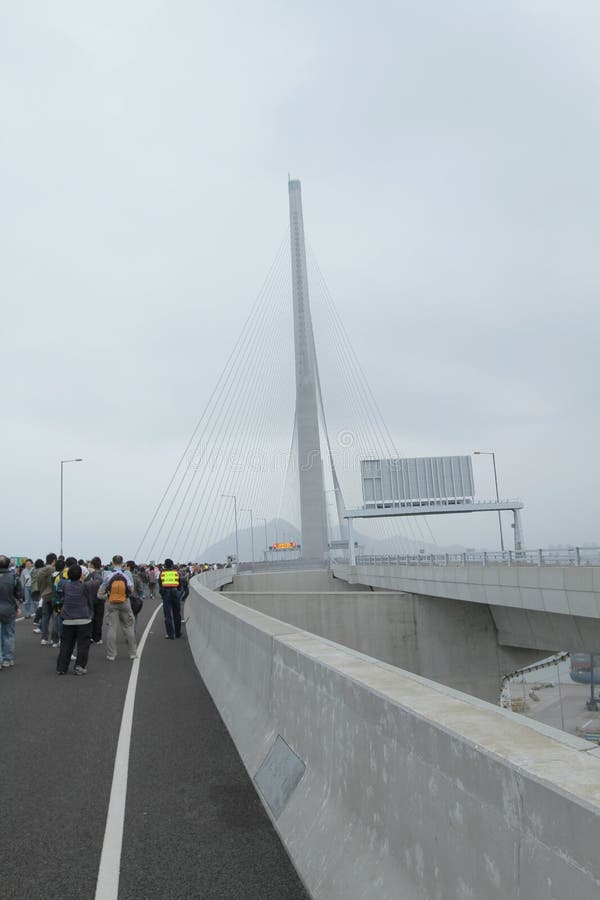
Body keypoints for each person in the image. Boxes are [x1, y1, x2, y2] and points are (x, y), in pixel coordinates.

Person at [55, 564, 94, 675]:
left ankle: (61, 667)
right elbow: (89, 601)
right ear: (81, 575)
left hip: (68, 618)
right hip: (83, 619)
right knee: (83, 644)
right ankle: (79, 666)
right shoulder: (84, 586)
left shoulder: (65, 586)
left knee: (66, 644)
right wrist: (91, 613)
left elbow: (61, 598)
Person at [99, 555, 137, 661]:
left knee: (112, 628)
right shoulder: (127, 574)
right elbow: (132, 590)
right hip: (125, 602)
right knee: (128, 627)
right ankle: (133, 653)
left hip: (111, 603)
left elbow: (100, 593)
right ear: (122, 563)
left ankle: (111, 654)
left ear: (112, 562)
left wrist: (108, 596)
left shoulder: (108, 574)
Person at [0, 555, 23, 669]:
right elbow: (20, 595)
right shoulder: (14, 577)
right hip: (9, 609)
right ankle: (7, 659)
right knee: (8, 634)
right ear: (9, 565)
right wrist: (17, 606)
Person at [38, 553, 58, 646]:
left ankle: (44, 638)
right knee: (55, 618)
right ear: (54, 560)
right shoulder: (55, 570)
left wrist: (42, 592)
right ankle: (54, 639)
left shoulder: (40, 571)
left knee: (45, 617)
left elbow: (39, 584)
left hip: (44, 595)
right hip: (54, 596)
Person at [159, 558, 182, 639]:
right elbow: (179, 584)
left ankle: (170, 634)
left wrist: (162, 594)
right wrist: (178, 592)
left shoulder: (162, 573)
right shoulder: (176, 573)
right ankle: (178, 633)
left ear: (165, 565)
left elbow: (160, 584)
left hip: (166, 593)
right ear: (172, 565)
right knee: (177, 614)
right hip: (175, 592)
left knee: (167, 615)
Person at [87, 557, 104, 644]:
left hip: (90, 599)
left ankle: (90, 636)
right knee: (98, 619)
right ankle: (97, 638)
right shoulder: (103, 573)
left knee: (91, 618)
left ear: (92, 565)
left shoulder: (91, 574)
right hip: (100, 599)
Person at [31, 558, 44, 631]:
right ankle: (38, 617)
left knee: (36, 603)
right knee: (41, 604)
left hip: (34, 588)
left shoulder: (33, 571)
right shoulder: (43, 571)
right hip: (41, 588)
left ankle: (37, 618)